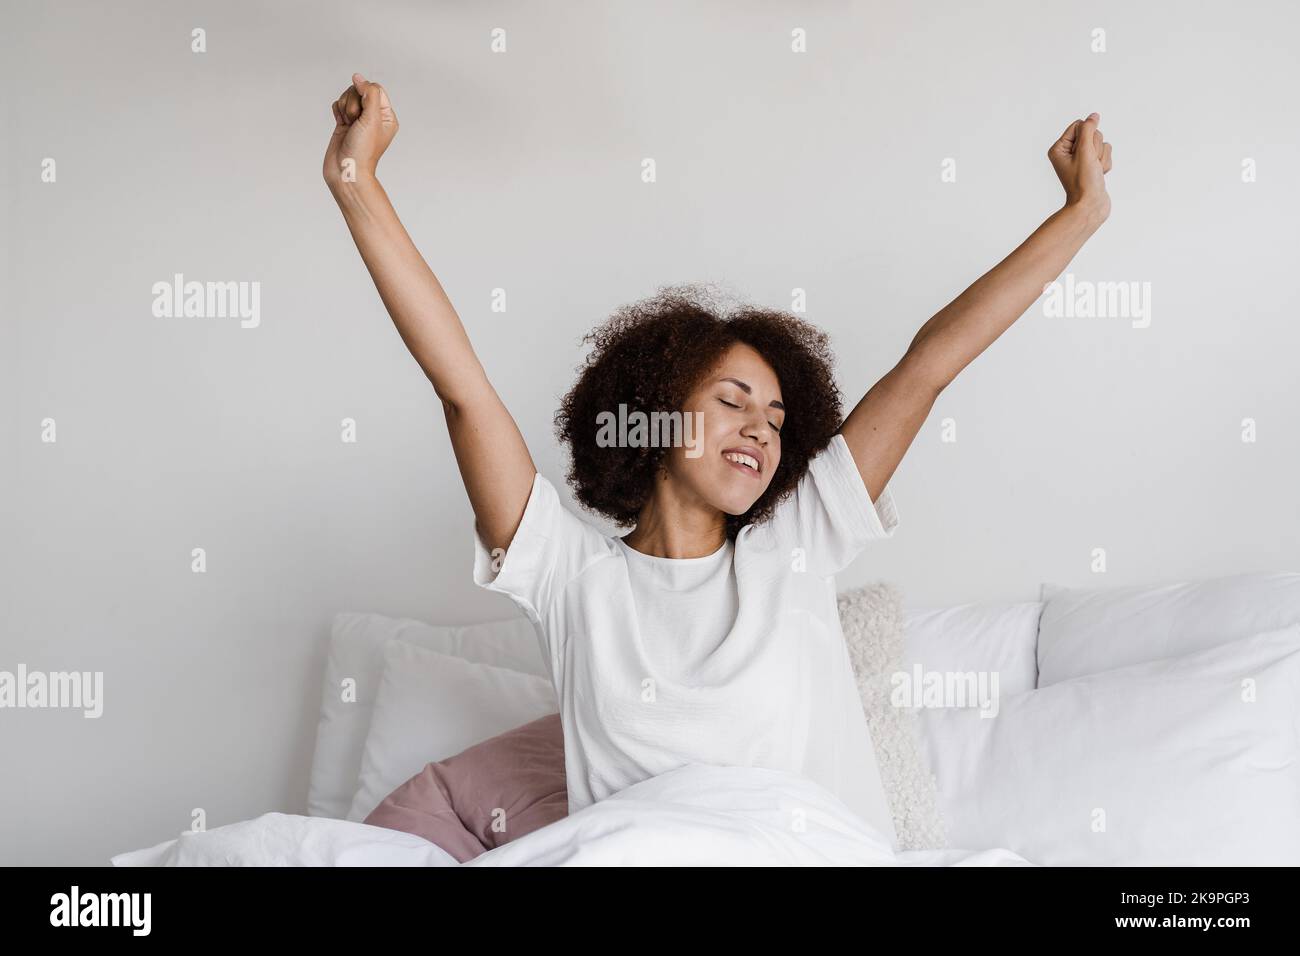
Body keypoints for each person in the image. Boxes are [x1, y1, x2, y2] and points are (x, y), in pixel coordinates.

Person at [322, 73, 1112, 840]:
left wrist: (1081, 215)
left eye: (774, 417)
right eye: (731, 402)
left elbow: (929, 366)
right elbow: (462, 390)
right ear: (656, 420)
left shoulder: (796, 545)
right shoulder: (570, 577)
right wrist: (356, 181)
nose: (762, 431)